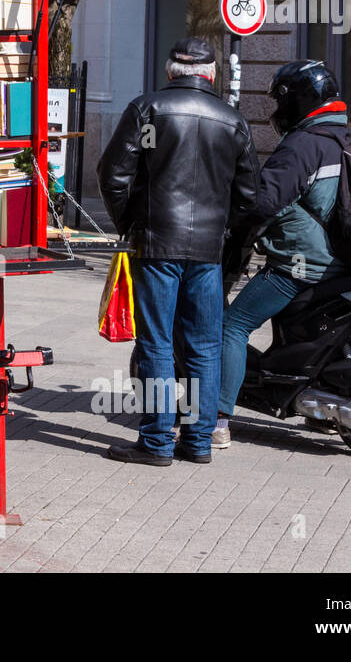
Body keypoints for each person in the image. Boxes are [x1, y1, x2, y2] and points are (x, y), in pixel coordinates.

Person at [97, 38, 258, 464]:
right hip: (207, 248)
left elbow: (113, 174)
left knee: (157, 344)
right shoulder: (232, 119)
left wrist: (130, 223)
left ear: (171, 72)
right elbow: (248, 195)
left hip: (156, 242)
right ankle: (199, 442)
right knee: (204, 346)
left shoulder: (147, 109)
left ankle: (155, 443)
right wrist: (224, 231)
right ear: (210, 75)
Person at [214, 60, 351, 449]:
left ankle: (218, 420)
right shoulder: (349, 140)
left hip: (299, 263)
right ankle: (322, 414)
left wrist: (228, 215)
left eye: (281, 100)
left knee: (232, 326)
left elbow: (262, 203)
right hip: (346, 264)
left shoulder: (303, 144)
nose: (277, 110)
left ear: (299, 101)